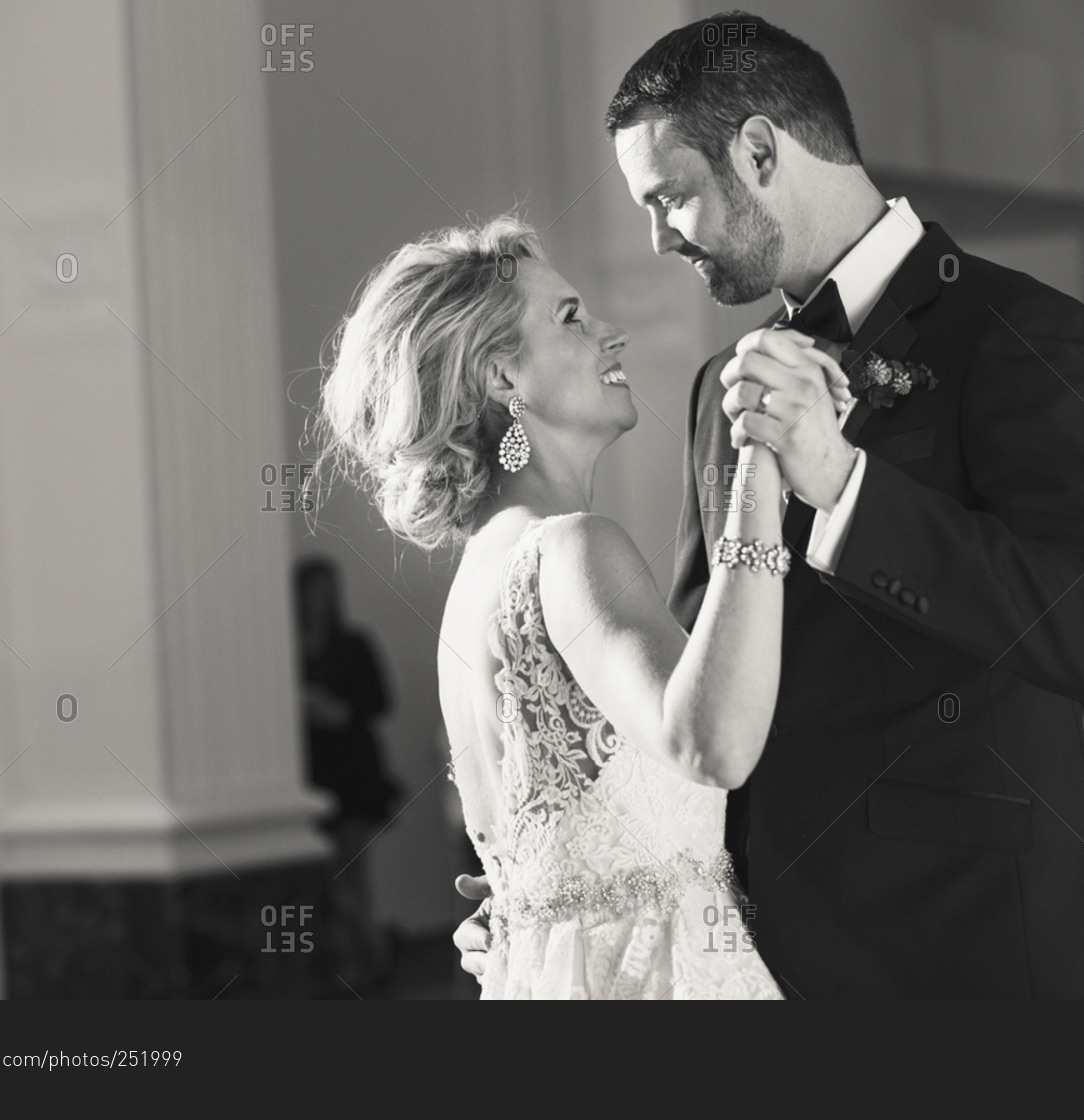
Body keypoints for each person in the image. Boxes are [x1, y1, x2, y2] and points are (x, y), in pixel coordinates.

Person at [456, 12, 1084, 997]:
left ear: (757, 151)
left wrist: (847, 486)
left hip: (986, 953)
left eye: (671, 198)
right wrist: (553, 889)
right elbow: (698, 687)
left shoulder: (1022, 330)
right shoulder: (718, 386)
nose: (659, 239)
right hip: (771, 962)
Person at [316, 215, 789, 998]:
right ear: (502, 377)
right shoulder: (570, 549)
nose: (612, 333)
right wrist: (759, 480)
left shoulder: (477, 582)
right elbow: (712, 744)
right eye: (571, 318)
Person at [294, 557, 400, 989]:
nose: (318, 601)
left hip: (353, 773)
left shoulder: (353, 644)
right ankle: (355, 961)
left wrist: (339, 710)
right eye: (311, 592)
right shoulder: (285, 647)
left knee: (348, 877)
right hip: (311, 775)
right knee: (323, 881)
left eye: (325, 591)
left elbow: (380, 701)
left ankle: (368, 961)